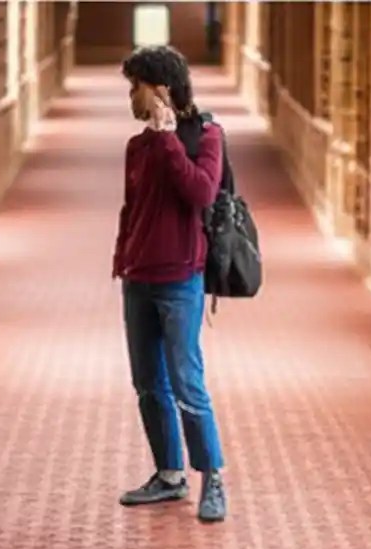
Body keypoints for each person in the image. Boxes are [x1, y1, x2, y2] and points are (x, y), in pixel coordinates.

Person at [113, 45, 228, 522]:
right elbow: (132, 209)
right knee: (148, 384)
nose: (131, 97)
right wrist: (122, 258)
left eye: (135, 86)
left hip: (181, 278)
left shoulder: (206, 136)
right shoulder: (136, 146)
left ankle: (212, 478)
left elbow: (200, 192)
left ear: (159, 89)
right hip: (138, 278)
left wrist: (166, 140)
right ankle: (168, 474)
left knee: (187, 382)